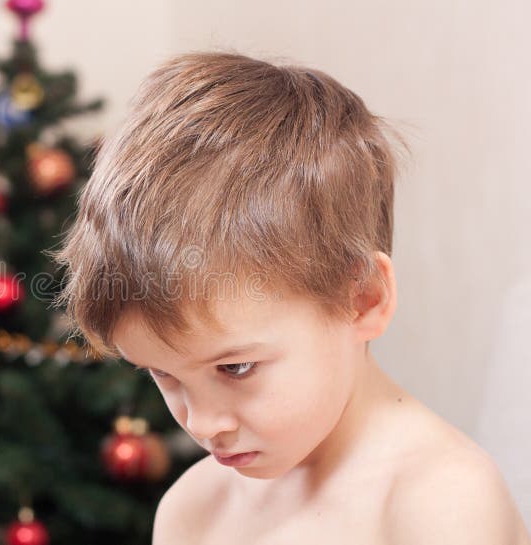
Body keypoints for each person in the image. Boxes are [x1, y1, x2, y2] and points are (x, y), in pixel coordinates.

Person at [45, 51, 531, 544]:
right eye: (163, 374)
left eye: (235, 368)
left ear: (361, 298)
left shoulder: (441, 504)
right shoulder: (193, 510)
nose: (203, 423)